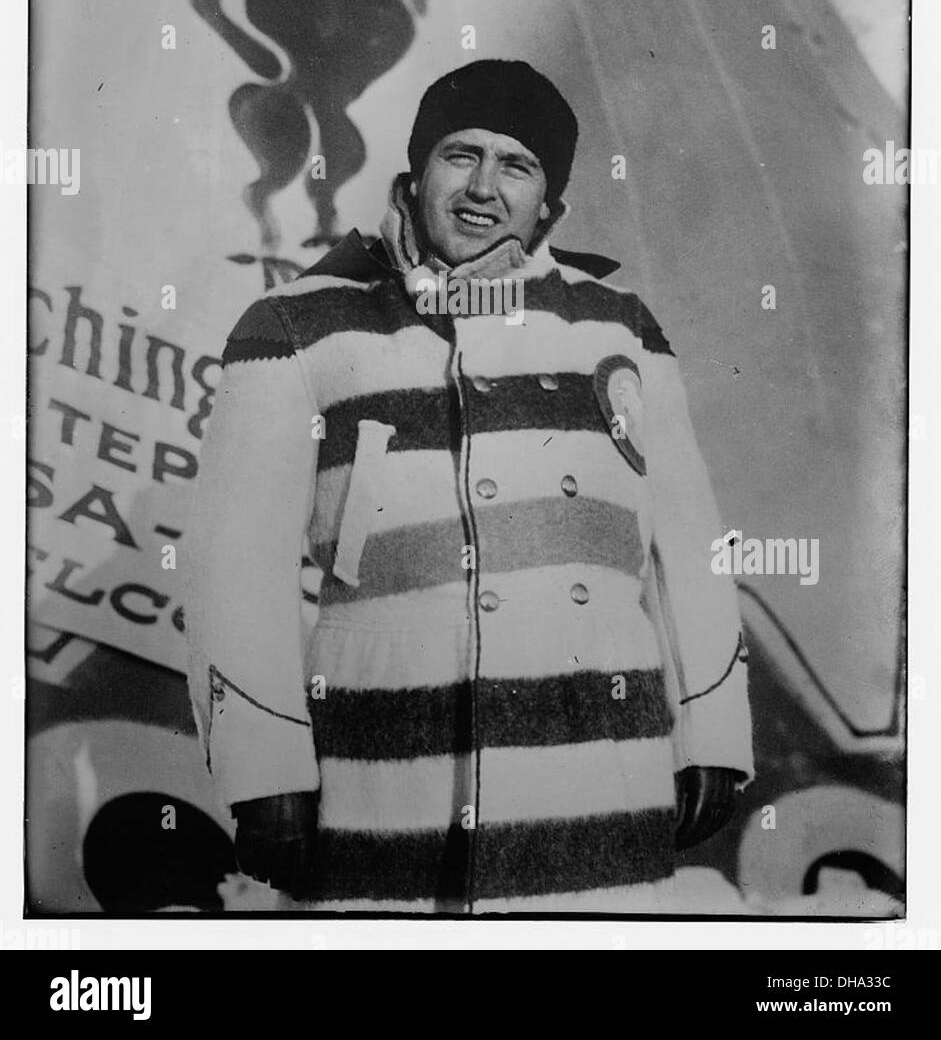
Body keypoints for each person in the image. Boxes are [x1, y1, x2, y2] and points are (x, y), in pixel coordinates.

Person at [184, 58, 754, 913]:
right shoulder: (295, 324)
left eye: (516, 165)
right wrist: (262, 766)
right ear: (417, 173)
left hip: (598, 766)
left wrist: (711, 727)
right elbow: (235, 565)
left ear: (548, 205)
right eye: (461, 154)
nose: (483, 187)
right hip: (385, 776)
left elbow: (688, 545)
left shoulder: (618, 325)